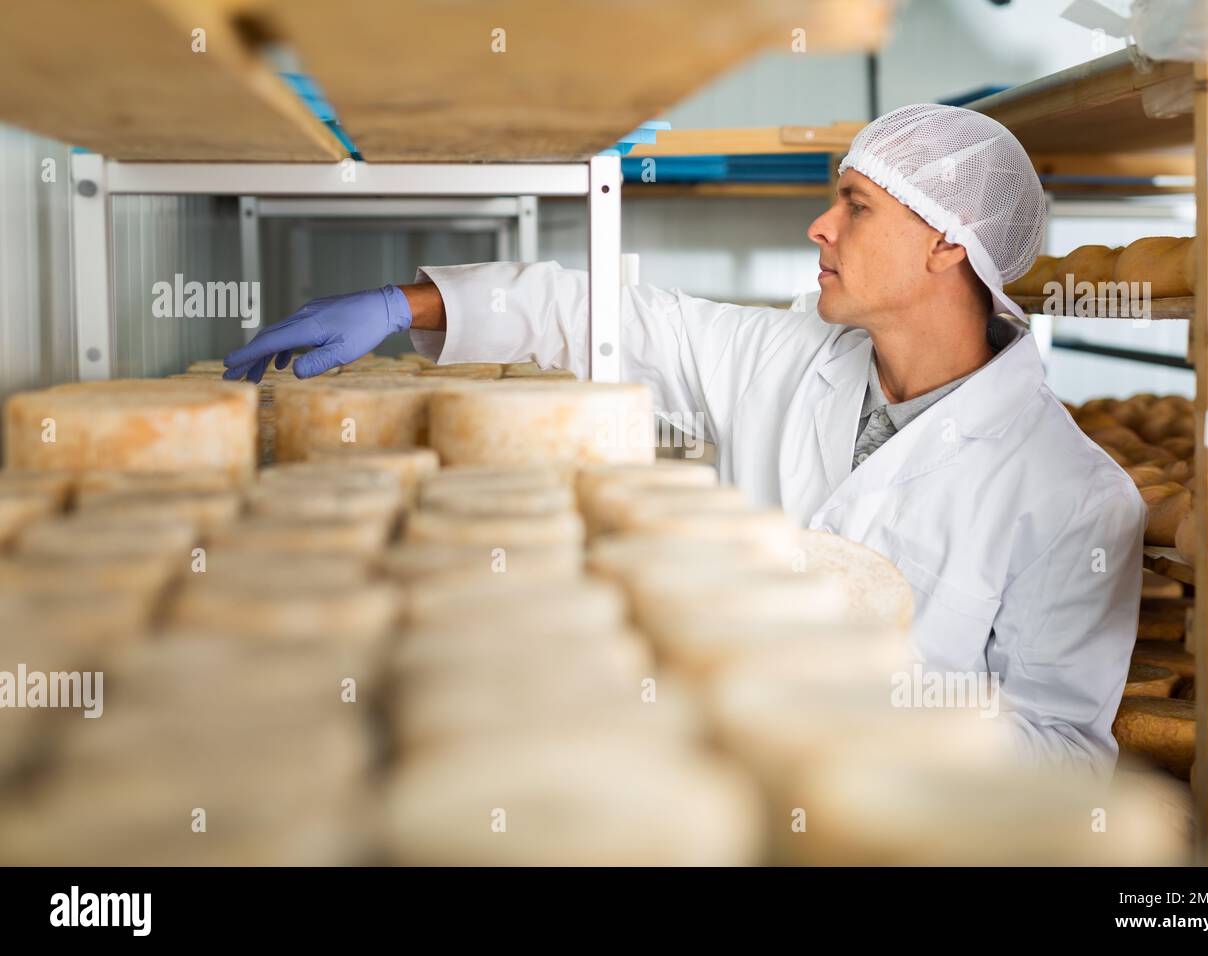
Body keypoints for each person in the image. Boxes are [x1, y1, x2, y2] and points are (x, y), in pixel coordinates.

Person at [225, 104, 1145, 777]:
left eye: (856, 206)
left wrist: (856, 706)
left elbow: (1064, 751)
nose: (820, 225)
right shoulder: (787, 356)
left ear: (949, 245)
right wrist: (406, 305)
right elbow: (600, 314)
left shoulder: (1074, 496)